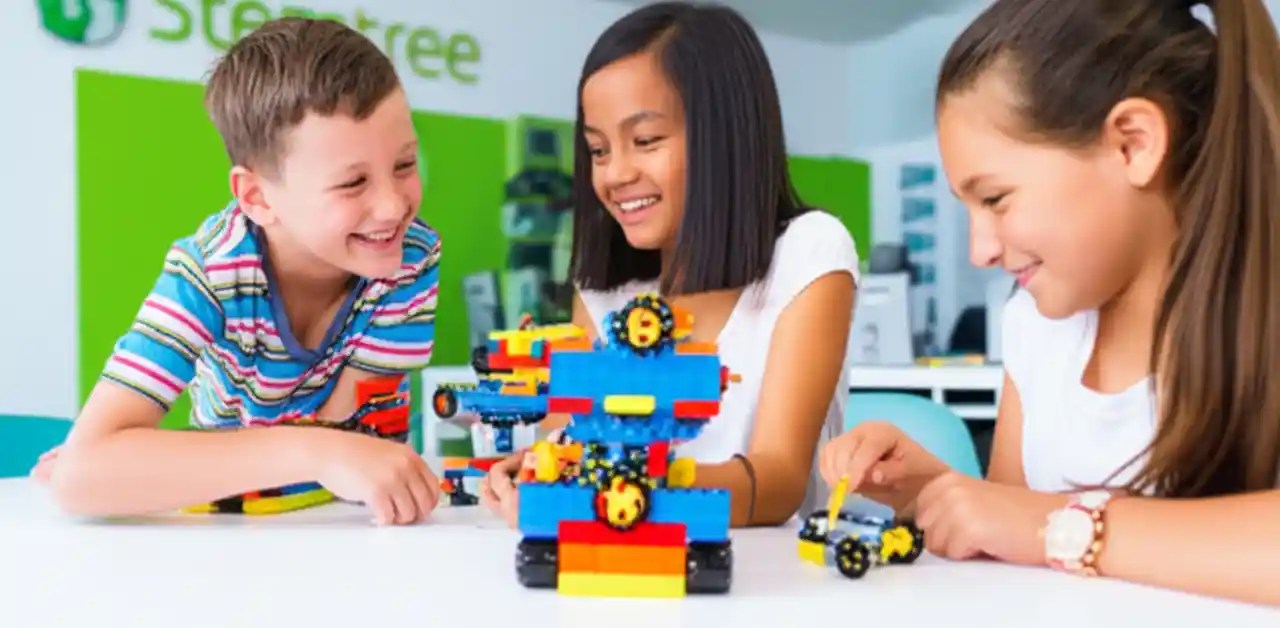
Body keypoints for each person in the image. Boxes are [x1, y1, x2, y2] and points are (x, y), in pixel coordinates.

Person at [820, 0, 1280, 606]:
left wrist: (1056, 526)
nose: (979, 250)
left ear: (1133, 146)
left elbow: (1038, 528)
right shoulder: (1036, 329)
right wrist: (940, 492)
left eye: (997, 199)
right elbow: (1021, 541)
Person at [41, 18, 442, 525]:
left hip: (334, 520)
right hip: (229, 528)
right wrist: (314, 451)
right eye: (352, 182)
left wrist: (145, 462)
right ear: (256, 197)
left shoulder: (410, 258)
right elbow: (82, 479)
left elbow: (353, 435)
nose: (392, 207)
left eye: (404, 165)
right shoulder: (207, 273)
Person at [481, 2, 860, 529]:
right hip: (609, 560)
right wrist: (534, 471)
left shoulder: (808, 252)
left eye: (645, 142)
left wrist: (629, 487)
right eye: (597, 150)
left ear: (723, 137)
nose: (614, 175)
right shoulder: (602, 291)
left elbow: (778, 484)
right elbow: (566, 440)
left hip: (771, 583)